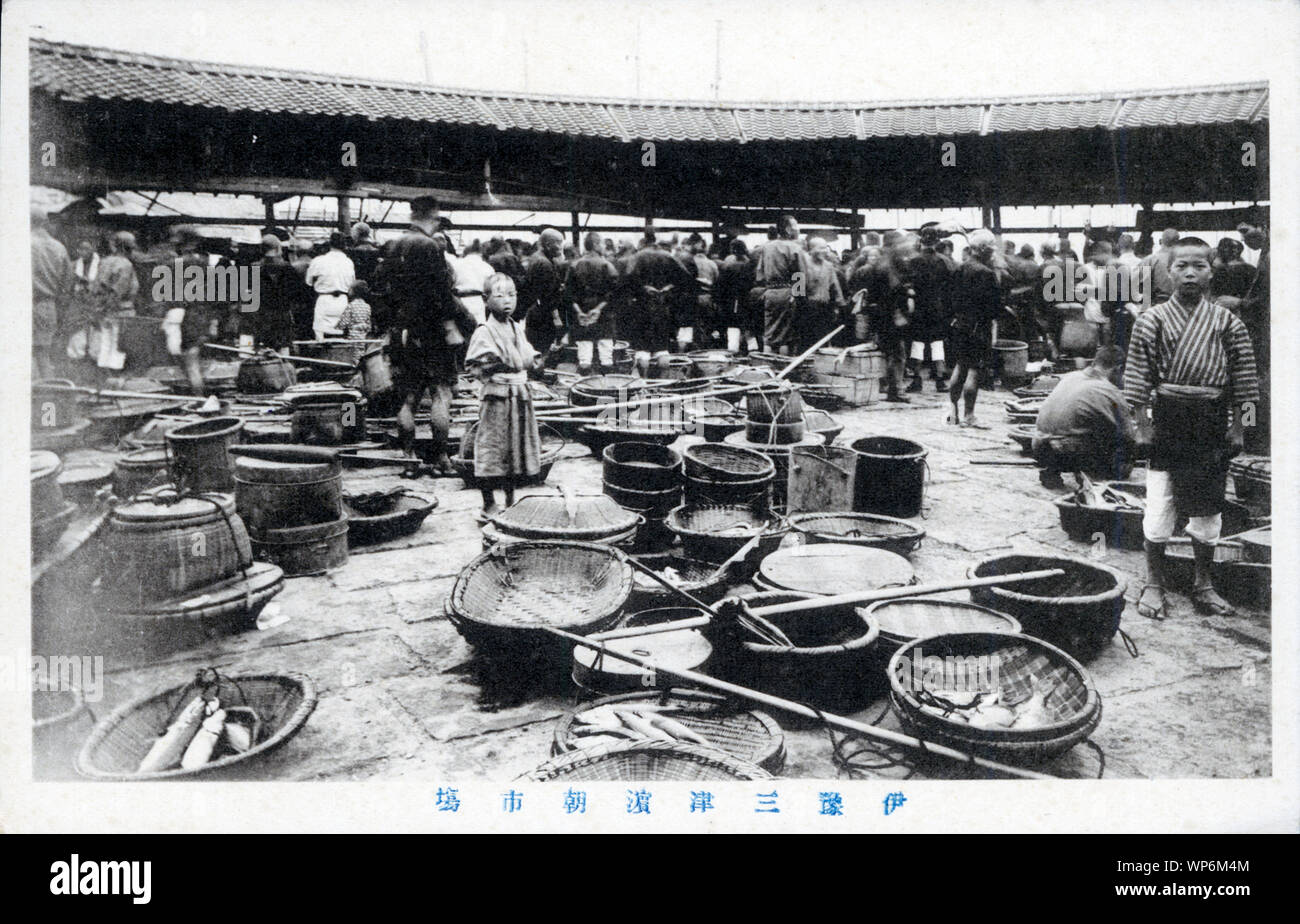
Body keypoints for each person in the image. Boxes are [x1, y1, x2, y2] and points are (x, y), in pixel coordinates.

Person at [1124, 237, 1260, 618]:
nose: (1189, 273)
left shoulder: (1228, 323)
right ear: (1169, 271)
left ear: (1210, 270)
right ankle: (1154, 583)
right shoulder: (1151, 320)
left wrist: (1240, 430)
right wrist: (1141, 427)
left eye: (1198, 265)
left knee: (1208, 510)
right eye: (1181, 265)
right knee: (1160, 503)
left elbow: (1246, 382)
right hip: (1168, 418)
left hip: (1211, 422)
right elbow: (1136, 380)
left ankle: (1204, 583)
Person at [373, 195, 465, 477]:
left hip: (403, 331)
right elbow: (441, 294)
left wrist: (394, 326)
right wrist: (455, 325)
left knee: (408, 398)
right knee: (440, 394)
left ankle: (409, 458)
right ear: (433, 218)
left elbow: (379, 290)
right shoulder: (429, 246)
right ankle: (441, 459)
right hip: (432, 330)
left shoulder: (393, 245)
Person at [465, 273, 545, 521]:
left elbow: (527, 355)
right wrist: (502, 364)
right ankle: (488, 503)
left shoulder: (515, 327)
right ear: (485, 299)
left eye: (512, 295)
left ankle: (511, 500)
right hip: (497, 397)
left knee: (514, 449)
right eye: (499, 295)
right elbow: (476, 365)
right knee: (491, 448)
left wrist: (533, 360)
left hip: (519, 395)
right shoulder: (484, 330)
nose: (507, 301)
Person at [1032, 345, 1136, 490]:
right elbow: (1129, 437)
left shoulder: (1071, 376)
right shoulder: (1109, 390)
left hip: (1039, 447)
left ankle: (1052, 469)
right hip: (1067, 451)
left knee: (1084, 424)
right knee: (1122, 457)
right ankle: (1089, 474)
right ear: (1118, 369)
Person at [945, 228, 1002, 427]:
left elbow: (950, 299)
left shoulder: (959, 268)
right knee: (975, 370)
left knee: (960, 366)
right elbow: (995, 308)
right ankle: (969, 415)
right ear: (985, 250)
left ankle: (952, 411)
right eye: (992, 249)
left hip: (959, 325)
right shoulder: (987, 273)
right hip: (979, 327)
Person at [619, 234, 694, 375]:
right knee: (662, 348)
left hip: (642, 306)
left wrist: (642, 288)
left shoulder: (638, 256)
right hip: (663, 307)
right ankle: (663, 381)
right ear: (655, 239)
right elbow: (687, 278)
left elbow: (626, 279)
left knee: (643, 349)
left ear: (643, 241)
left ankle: (645, 381)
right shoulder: (668, 256)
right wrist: (669, 288)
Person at [862, 229, 917, 402]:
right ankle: (896, 390)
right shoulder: (889, 264)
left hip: (882, 315)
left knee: (888, 352)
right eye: (900, 243)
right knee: (898, 353)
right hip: (891, 315)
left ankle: (888, 386)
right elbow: (892, 291)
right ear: (893, 244)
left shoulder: (883, 262)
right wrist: (906, 295)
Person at [564, 231, 619, 374]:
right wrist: (598, 309)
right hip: (604, 317)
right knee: (606, 357)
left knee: (584, 359)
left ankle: (585, 389)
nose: (603, 247)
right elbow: (614, 293)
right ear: (595, 245)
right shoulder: (607, 265)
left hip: (582, 317)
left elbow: (568, 294)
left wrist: (579, 312)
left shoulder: (574, 266)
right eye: (601, 243)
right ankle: (607, 388)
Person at [907, 226, 952, 391]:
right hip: (938, 308)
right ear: (937, 241)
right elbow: (950, 289)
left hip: (918, 308)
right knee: (937, 344)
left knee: (917, 344)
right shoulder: (945, 262)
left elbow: (908, 286)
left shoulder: (913, 261)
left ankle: (916, 380)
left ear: (921, 240)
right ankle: (940, 380)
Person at [31, 205, 71, 380]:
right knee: (43, 356)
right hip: (48, 306)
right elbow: (67, 283)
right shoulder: (59, 247)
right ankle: (49, 400)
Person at [755, 214, 805, 355]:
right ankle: (782, 369)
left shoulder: (766, 247)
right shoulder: (794, 248)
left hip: (770, 293)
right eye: (796, 226)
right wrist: (798, 296)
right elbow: (799, 274)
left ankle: (767, 365)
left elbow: (760, 274)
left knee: (769, 333)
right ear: (788, 229)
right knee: (785, 336)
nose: (798, 229)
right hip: (788, 293)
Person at [250, 234, 301, 353]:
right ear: (278, 248)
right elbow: (296, 294)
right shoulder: (288, 268)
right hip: (282, 315)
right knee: (284, 348)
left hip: (261, 315)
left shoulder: (254, 267)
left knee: (262, 351)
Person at [519, 227, 567, 352]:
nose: (562, 247)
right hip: (544, 315)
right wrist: (556, 318)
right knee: (543, 350)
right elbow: (549, 296)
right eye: (560, 242)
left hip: (535, 312)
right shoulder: (544, 263)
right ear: (548, 244)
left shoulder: (536, 258)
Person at [797, 236, 845, 353]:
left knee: (822, 340)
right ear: (811, 249)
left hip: (824, 309)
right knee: (806, 341)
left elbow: (835, 287)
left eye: (826, 248)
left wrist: (840, 305)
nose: (824, 251)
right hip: (806, 308)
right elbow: (796, 288)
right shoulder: (802, 264)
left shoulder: (828, 266)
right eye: (821, 248)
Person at [306, 232, 356, 339]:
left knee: (320, 334)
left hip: (324, 299)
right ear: (344, 245)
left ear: (330, 243)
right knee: (342, 333)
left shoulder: (318, 261)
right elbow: (352, 283)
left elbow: (309, 282)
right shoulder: (348, 262)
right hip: (343, 300)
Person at [715, 239, 757, 353]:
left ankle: (733, 350)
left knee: (733, 325)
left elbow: (720, 285)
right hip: (748, 298)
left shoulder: (728, 265)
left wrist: (720, 300)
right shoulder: (751, 264)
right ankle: (753, 350)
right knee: (748, 325)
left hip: (732, 298)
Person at [452, 239, 495, 325]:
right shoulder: (487, 267)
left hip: (459, 302)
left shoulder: (456, 264)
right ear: (481, 252)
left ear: (466, 251)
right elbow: (491, 289)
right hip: (479, 302)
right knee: (478, 330)